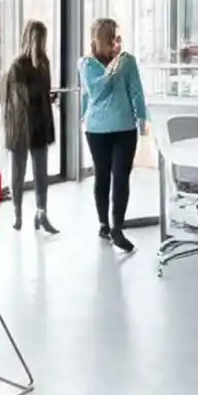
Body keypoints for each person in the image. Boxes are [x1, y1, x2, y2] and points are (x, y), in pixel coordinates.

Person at [79, 18, 147, 253]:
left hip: (125, 128)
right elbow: (94, 93)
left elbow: (136, 90)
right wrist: (82, 116)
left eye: (119, 38)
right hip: (97, 130)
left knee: (121, 177)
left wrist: (142, 118)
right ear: (102, 40)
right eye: (113, 38)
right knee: (102, 176)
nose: (118, 42)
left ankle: (118, 227)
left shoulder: (128, 62)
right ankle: (103, 224)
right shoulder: (86, 64)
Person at [0, 20, 58, 233]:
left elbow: (43, 91)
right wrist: (41, 95)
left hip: (40, 124)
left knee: (41, 171)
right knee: (18, 172)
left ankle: (42, 213)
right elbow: (21, 99)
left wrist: (47, 97)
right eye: (39, 40)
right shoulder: (18, 66)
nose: (41, 45)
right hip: (21, 126)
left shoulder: (44, 63)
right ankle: (18, 214)